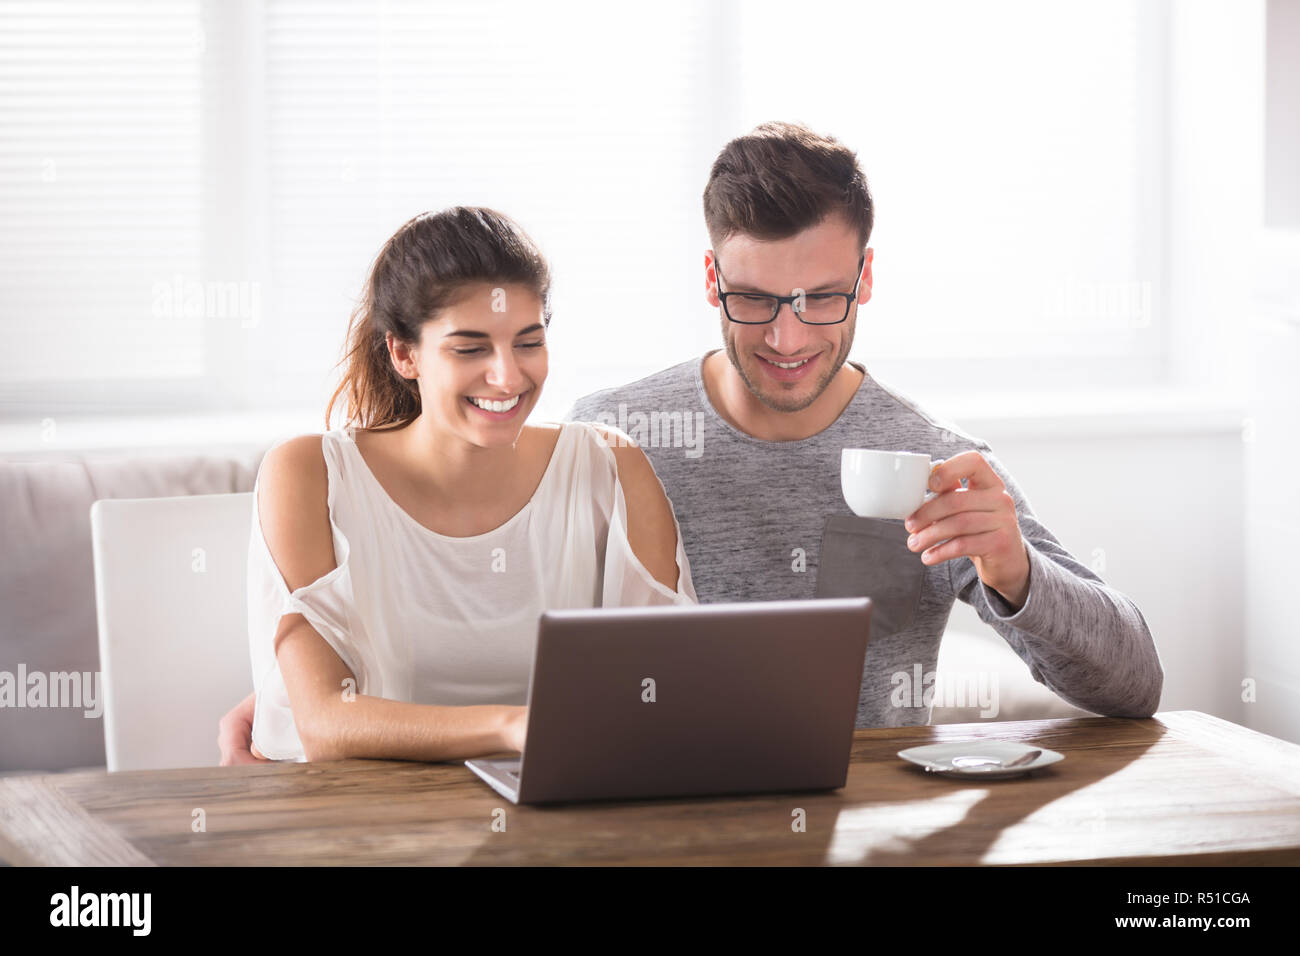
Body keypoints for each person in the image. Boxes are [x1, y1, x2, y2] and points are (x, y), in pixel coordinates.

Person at [565, 121, 1163, 727]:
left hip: (869, 818)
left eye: (822, 298)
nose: (787, 340)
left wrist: (1018, 573)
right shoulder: (610, 437)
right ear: (711, 279)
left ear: (866, 276)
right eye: (753, 299)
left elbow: (1135, 686)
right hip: (656, 813)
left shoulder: (933, 461)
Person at [229, 206, 695, 764]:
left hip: (557, 814)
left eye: (528, 342)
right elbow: (327, 725)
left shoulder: (609, 465)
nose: (508, 376)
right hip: (357, 820)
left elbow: (666, 685)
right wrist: (513, 728)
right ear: (403, 353)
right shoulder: (309, 474)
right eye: (470, 348)